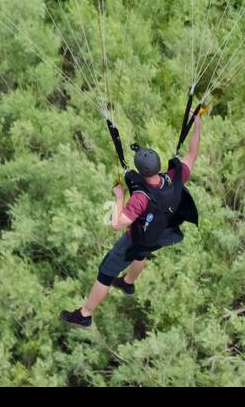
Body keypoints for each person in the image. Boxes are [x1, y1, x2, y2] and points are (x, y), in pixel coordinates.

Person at [60, 110, 203, 328]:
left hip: (138, 236)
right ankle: (128, 283)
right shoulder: (174, 178)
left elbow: (117, 224)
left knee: (106, 272)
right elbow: (192, 152)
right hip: (165, 232)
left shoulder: (140, 198)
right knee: (143, 250)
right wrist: (197, 121)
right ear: (157, 166)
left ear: (140, 172)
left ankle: (85, 314)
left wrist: (120, 197)